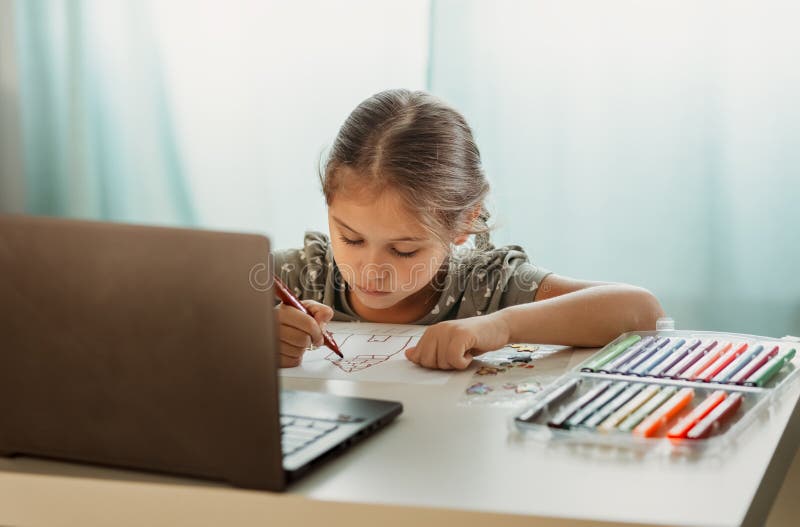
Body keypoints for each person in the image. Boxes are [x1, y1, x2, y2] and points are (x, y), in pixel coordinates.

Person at [273, 89, 664, 370]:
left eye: (404, 250)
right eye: (351, 238)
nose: (370, 268)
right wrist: (251, 338)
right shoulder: (302, 276)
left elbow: (641, 311)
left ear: (463, 222)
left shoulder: (485, 286)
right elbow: (209, 300)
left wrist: (501, 326)